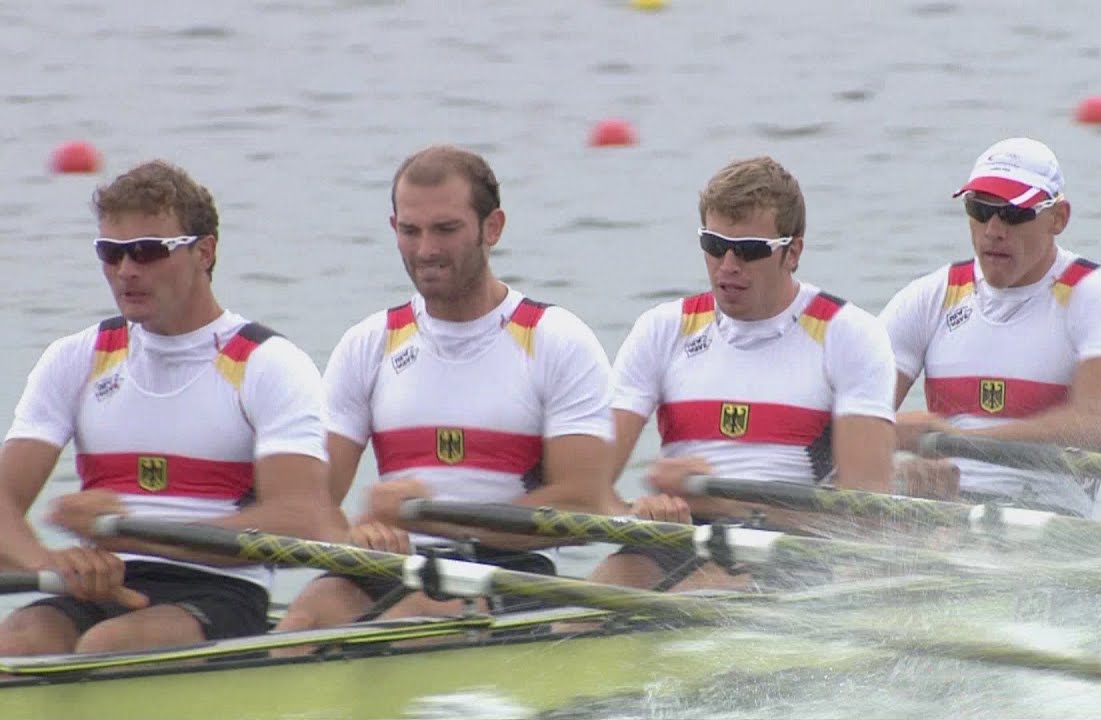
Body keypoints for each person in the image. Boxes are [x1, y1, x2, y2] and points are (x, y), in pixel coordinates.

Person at [0, 160, 339, 655]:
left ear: (205, 252)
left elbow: (304, 519)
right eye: (110, 253)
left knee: (107, 647)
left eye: (148, 251)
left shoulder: (267, 364)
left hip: (219, 587)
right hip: (101, 584)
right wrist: (50, 563)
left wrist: (128, 536)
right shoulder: (77, 358)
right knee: (14, 646)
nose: (126, 270)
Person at [275, 145, 614, 639]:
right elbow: (311, 503)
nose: (426, 250)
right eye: (410, 231)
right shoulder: (369, 343)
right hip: (396, 567)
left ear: (491, 228)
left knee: (412, 620)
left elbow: (582, 504)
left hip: (510, 571)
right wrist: (355, 531)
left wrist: (431, 518)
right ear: (394, 229)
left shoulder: (556, 339)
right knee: (302, 621)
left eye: (446, 229)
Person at [587, 156, 899, 591]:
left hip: (795, 549)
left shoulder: (847, 334)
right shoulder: (663, 329)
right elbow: (587, 488)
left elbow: (865, 515)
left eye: (749, 250)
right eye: (714, 245)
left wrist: (719, 497)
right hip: (681, 536)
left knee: (697, 598)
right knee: (596, 596)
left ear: (793, 252)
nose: (727, 265)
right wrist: (634, 512)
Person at [879, 137, 1101, 518]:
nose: (993, 229)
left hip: (1043, 522)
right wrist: (895, 457)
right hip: (937, 515)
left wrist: (954, 442)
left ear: (1059, 217)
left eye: (1014, 213)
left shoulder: (1100, 299)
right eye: (980, 209)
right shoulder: (929, 298)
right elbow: (839, 427)